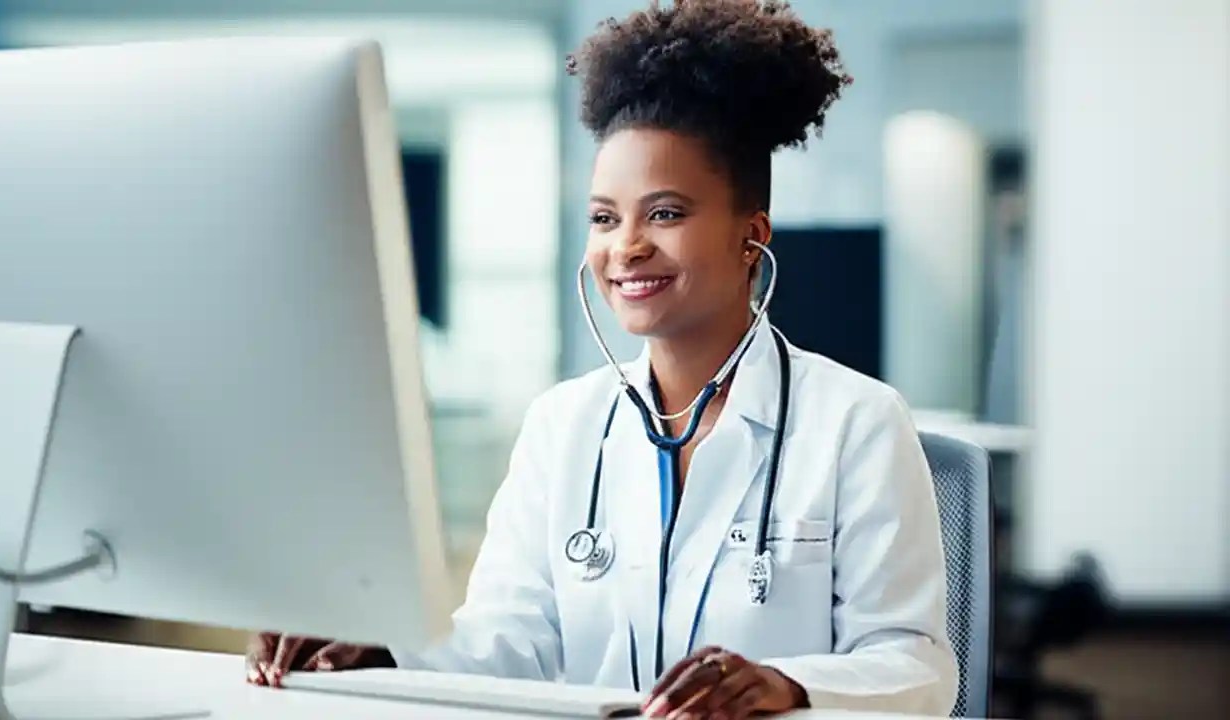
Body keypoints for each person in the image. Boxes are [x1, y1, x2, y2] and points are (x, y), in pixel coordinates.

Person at [247, 1, 959, 717]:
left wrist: (787, 685)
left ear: (752, 235)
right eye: (604, 217)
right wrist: (381, 649)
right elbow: (510, 637)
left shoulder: (856, 422)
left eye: (667, 212)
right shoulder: (564, 423)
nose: (627, 246)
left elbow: (914, 664)